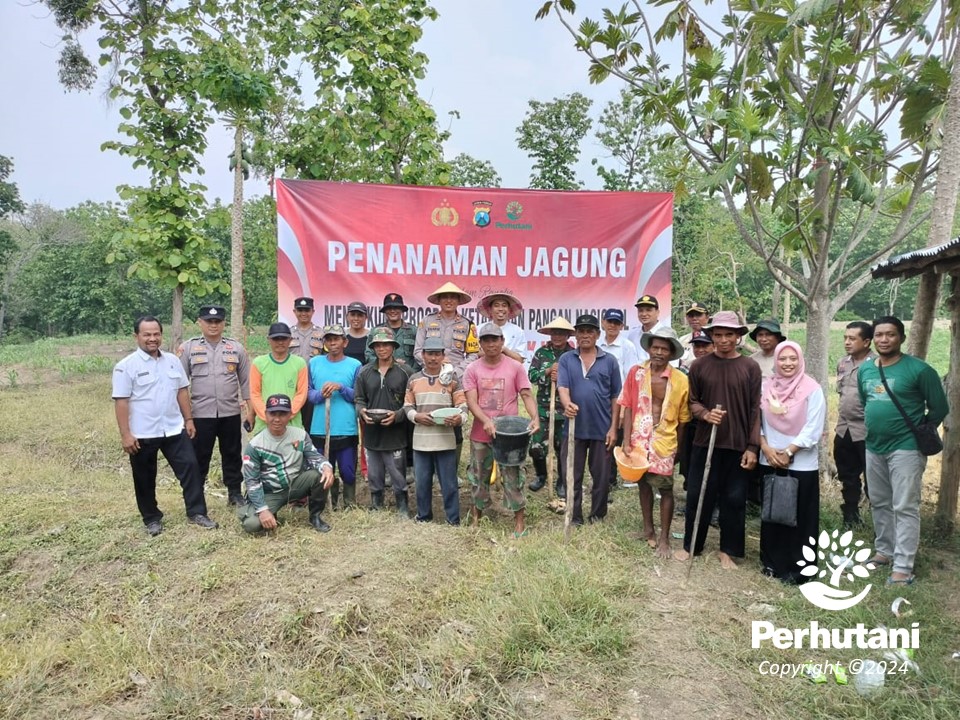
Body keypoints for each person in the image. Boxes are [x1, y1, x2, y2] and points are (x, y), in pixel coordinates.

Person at [858, 316, 948, 585]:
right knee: (880, 501)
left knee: (905, 506)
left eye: (891, 335)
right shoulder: (866, 370)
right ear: (873, 339)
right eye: (879, 335)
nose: (884, 340)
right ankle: (884, 551)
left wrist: (918, 430)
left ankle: (903, 566)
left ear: (902, 338)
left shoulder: (919, 370)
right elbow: (866, 402)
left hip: (906, 448)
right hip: (873, 446)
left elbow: (939, 407)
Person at [112, 315, 218, 536]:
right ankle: (151, 518)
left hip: (173, 428)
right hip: (142, 432)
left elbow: (181, 390)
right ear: (136, 336)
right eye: (147, 334)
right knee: (144, 477)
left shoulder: (172, 360)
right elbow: (121, 401)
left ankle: (197, 512)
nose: (152, 339)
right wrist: (126, 435)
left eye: (156, 334)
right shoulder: (125, 367)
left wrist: (188, 420)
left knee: (191, 468)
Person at [675, 310, 761, 569]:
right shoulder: (699, 366)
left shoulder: (750, 367)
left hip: (736, 444)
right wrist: (705, 414)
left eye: (729, 335)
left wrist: (752, 447)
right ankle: (692, 545)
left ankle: (728, 550)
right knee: (699, 494)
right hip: (705, 442)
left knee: (734, 499)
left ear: (738, 337)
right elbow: (692, 402)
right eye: (718, 335)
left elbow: (755, 409)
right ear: (711, 336)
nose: (723, 340)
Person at [758, 342, 826, 583]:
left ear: (800, 360)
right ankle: (771, 563)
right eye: (783, 359)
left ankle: (800, 570)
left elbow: (814, 427)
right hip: (769, 457)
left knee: (801, 516)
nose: (787, 363)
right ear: (776, 360)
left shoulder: (812, 389)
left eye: (792, 359)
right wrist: (766, 448)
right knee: (773, 513)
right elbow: (757, 422)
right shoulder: (766, 387)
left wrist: (789, 451)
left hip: (801, 461)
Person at [619, 327, 690, 558]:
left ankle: (664, 538)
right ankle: (648, 529)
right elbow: (628, 406)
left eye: (664, 349)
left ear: (671, 353)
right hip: (639, 439)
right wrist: (627, 440)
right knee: (643, 484)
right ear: (649, 349)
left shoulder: (680, 380)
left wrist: (679, 448)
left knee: (666, 489)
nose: (658, 352)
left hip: (665, 442)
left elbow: (683, 420)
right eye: (655, 347)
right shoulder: (636, 373)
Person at [463, 322, 540, 536]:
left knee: (514, 475)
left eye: (495, 339)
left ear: (502, 342)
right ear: (481, 343)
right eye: (486, 340)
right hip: (481, 433)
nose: (491, 344)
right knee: (478, 476)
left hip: (510, 435)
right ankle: (477, 516)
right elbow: (471, 401)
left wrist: (535, 417)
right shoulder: (472, 369)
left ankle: (518, 521)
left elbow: (526, 395)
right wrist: (486, 421)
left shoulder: (515, 367)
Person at [178, 304, 252, 507]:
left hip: (230, 412)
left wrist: (250, 412)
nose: (213, 325)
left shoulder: (235, 348)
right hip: (201, 414)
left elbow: (246, 383)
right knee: (199, 456)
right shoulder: (188, 348)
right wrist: (186, 418)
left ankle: (235, 493)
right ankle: (196, 496)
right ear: (199, 322)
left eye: (217, 321)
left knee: (232, 454)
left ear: (224, 323)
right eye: (209, 321)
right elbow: (180, 385)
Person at [237, 394, 336, 534]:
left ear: (290, 415)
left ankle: (315, 517)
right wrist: (263, 510)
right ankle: (268, 513)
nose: (277, 419)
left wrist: (326, 467)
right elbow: (251, 481)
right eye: (272, 414)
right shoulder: (255, 445)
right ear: (265, 414)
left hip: (294, 485)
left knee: (321, 474)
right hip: (269, 493)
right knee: (251, 525)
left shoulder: (300, 435)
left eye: (282, 414)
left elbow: (314, 456)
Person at [558, 314, 623, 525]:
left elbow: (616, 396)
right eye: (581, 331)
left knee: (601, 477)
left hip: (602, 428)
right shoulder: (567, 359)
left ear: (597, 334)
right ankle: (574, 516)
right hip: (574, 428)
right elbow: (563, 387)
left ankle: (597, 515)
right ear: (576, 334)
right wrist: (567, 403)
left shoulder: (610, 361)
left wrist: (614, 428)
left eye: (590, 331)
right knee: (572, 476)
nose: (585, 335)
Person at [415, 281, 480, 480]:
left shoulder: (468, 325)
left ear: (459, 301)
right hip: (429, 378)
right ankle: (430, 470)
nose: (449, 300)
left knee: (455, 421)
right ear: (439, 301)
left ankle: (450, 470)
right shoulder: (426, 322)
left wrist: (455, 372)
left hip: (456, 380)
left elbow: (473, 353)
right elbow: (418, 351)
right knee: (429, 420)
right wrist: (436, 365)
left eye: (453, 297)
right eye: (445, 297)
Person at [403, 337, 467, 525]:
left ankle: (453, 520)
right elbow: (407, 406)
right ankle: (424, 517)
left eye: (437, 354)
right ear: (422, 355)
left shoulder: (452, 379)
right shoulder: (414, 379)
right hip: (421, 441)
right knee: (422, 483)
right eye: (429, 354)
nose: (433, 358)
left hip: (446, 441)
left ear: (443, 356)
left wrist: (458, 419)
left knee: (449, 484)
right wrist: (417, 417)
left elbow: (463, 407)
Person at [355, 328, 413, 515]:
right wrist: (361, 412)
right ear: (373, 348)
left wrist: (397, 416)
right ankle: (376, 504)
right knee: (374, 473)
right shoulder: (365, 372)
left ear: (393, 347)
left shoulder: (405, 371)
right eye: (378, 345)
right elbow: (359, 399)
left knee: (397, 473)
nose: (382, 348)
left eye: (386, 344)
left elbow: (411, 403)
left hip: (396, 434)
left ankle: (402, 507)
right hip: (372, 432)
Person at [307, 324, 362, 509]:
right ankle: (326, 502)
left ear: (344, 342)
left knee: (347, 470)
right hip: (320, 427)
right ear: (324, 343)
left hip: (346, 427)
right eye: (329, 339)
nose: (333, 343)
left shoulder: (355, 365)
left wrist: (341, 388)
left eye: (336, 339)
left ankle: (349, 503)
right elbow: (308, 394)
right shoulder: (314, 363)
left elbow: (358, 396)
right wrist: (321, 394)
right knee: (323, 468)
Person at [526, 316, 575, 495]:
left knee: (563, 448)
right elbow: (531, 376)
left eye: (561, 333)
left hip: (564, 409)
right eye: (554, 332)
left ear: (568, 335)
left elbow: (578, 379)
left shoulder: (573, 355)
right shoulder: (541, 353)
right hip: (544, 409)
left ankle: (562, 481)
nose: (557, 336)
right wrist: (547, 372)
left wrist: (561, 375)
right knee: (536, 447)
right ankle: (541, 476)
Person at [834, 321, 876, 528]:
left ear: (867, 341)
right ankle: (850, 515)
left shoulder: (877, 364)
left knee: (874, 479)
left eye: (852, 338)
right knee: (847, 475)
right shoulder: (843, 363)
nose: (847, 342)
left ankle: (880, 522)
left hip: (867, 431)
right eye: (845, 338)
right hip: (844, 429)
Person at [599, 308, 641, 491]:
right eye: (609, 322)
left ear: (622, 326)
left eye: (617, 323)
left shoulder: (627, 347)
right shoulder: (597, 344)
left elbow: (631, 378)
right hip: (600, 400)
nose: (612, 326)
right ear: (603, 323)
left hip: (620, 400)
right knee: (605, 438)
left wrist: (624, 407)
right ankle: (606, 477)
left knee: (619, 437)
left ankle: (622, 475)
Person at [250, 323, 308, 434]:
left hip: (292, 425)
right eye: (276, 339)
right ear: (269, 340)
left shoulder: (299, 363)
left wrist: (288, 414)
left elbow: (301, 393)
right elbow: (255, 393)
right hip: (264, 425)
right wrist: (268, 416)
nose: (280, 342)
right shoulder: (259, 363)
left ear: (290, 340)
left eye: (284, 338)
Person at [678, 330, 714, 485]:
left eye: (704, 345)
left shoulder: (718, 367)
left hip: (711, 421)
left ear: (713, 346)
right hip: (692, 422)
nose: (700, 349)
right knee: (689, 461)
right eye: (697, 346)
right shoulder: (689, 368)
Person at [289, 296, 325, 434]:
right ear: (294, 311)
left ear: (313, 311)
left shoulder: (321, 334)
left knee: (312, 424)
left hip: (313, 385)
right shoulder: (288, 333)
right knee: (293, 422)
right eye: (300, 310)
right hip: (293, 384)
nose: (303, 313)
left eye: (307, 310)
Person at [365, 293, 420, 370]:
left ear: (402, 310)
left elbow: (420, 354)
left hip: (408, 377)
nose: (392, 311)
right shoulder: (376, 331)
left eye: (396, 307)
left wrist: (411, 371)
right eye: (389, 308)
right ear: (385, 311)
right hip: (382, 374)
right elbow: (369, 354)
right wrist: (386, 365)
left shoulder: (414, 331)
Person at [476, 291, 528, 365]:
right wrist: (494, 351)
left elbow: (520, 359)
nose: (500, 309)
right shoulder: (479, 329)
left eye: (504, 305)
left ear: (509, 310)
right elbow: (474, 355)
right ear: (490, 309)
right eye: (496, 305)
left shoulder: (518, 331)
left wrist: (504, 349)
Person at [626, 294, 667, 362]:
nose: (644, 314)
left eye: (648, 310)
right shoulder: (632, 335)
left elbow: (672, 365)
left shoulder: (666, 335)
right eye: (641, 310)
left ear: (657, 312)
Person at [678, 301, 710, 366]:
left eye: (698, 315)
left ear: (707, 317)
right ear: (687, 318)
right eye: (691, 316)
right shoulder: (682, 341)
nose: (694, 318)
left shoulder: (715, 339)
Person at [344, 301, 370, 365]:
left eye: (360, 315)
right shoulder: (342, 336)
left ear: (366, 317)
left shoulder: (371, 336)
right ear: (347, 317)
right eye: (353, 315)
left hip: (366, 374)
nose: (356, 318)